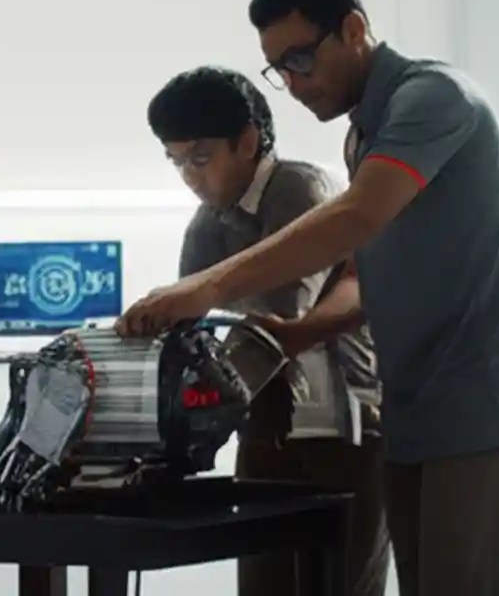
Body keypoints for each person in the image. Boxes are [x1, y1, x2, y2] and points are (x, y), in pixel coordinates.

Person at [117, 0, 499, 596]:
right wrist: (296, 331)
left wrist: (204, 289)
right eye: (278, 68)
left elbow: (355, 216)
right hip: (410, 403)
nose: (292, 84)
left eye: (300, 59)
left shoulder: (431, 99)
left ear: (353, 29)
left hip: (474, 401)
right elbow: (366, 274)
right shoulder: (363, 136)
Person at [147, 66, 389, 596]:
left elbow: (286, 314)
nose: (189, 174)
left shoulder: (298, 186)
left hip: (343, 426)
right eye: (177, 160)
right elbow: (196, 333)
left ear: (249, 141)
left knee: (342, 581)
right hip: (266, 423)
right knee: (264, 582)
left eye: (201, 157)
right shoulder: (206, 222)